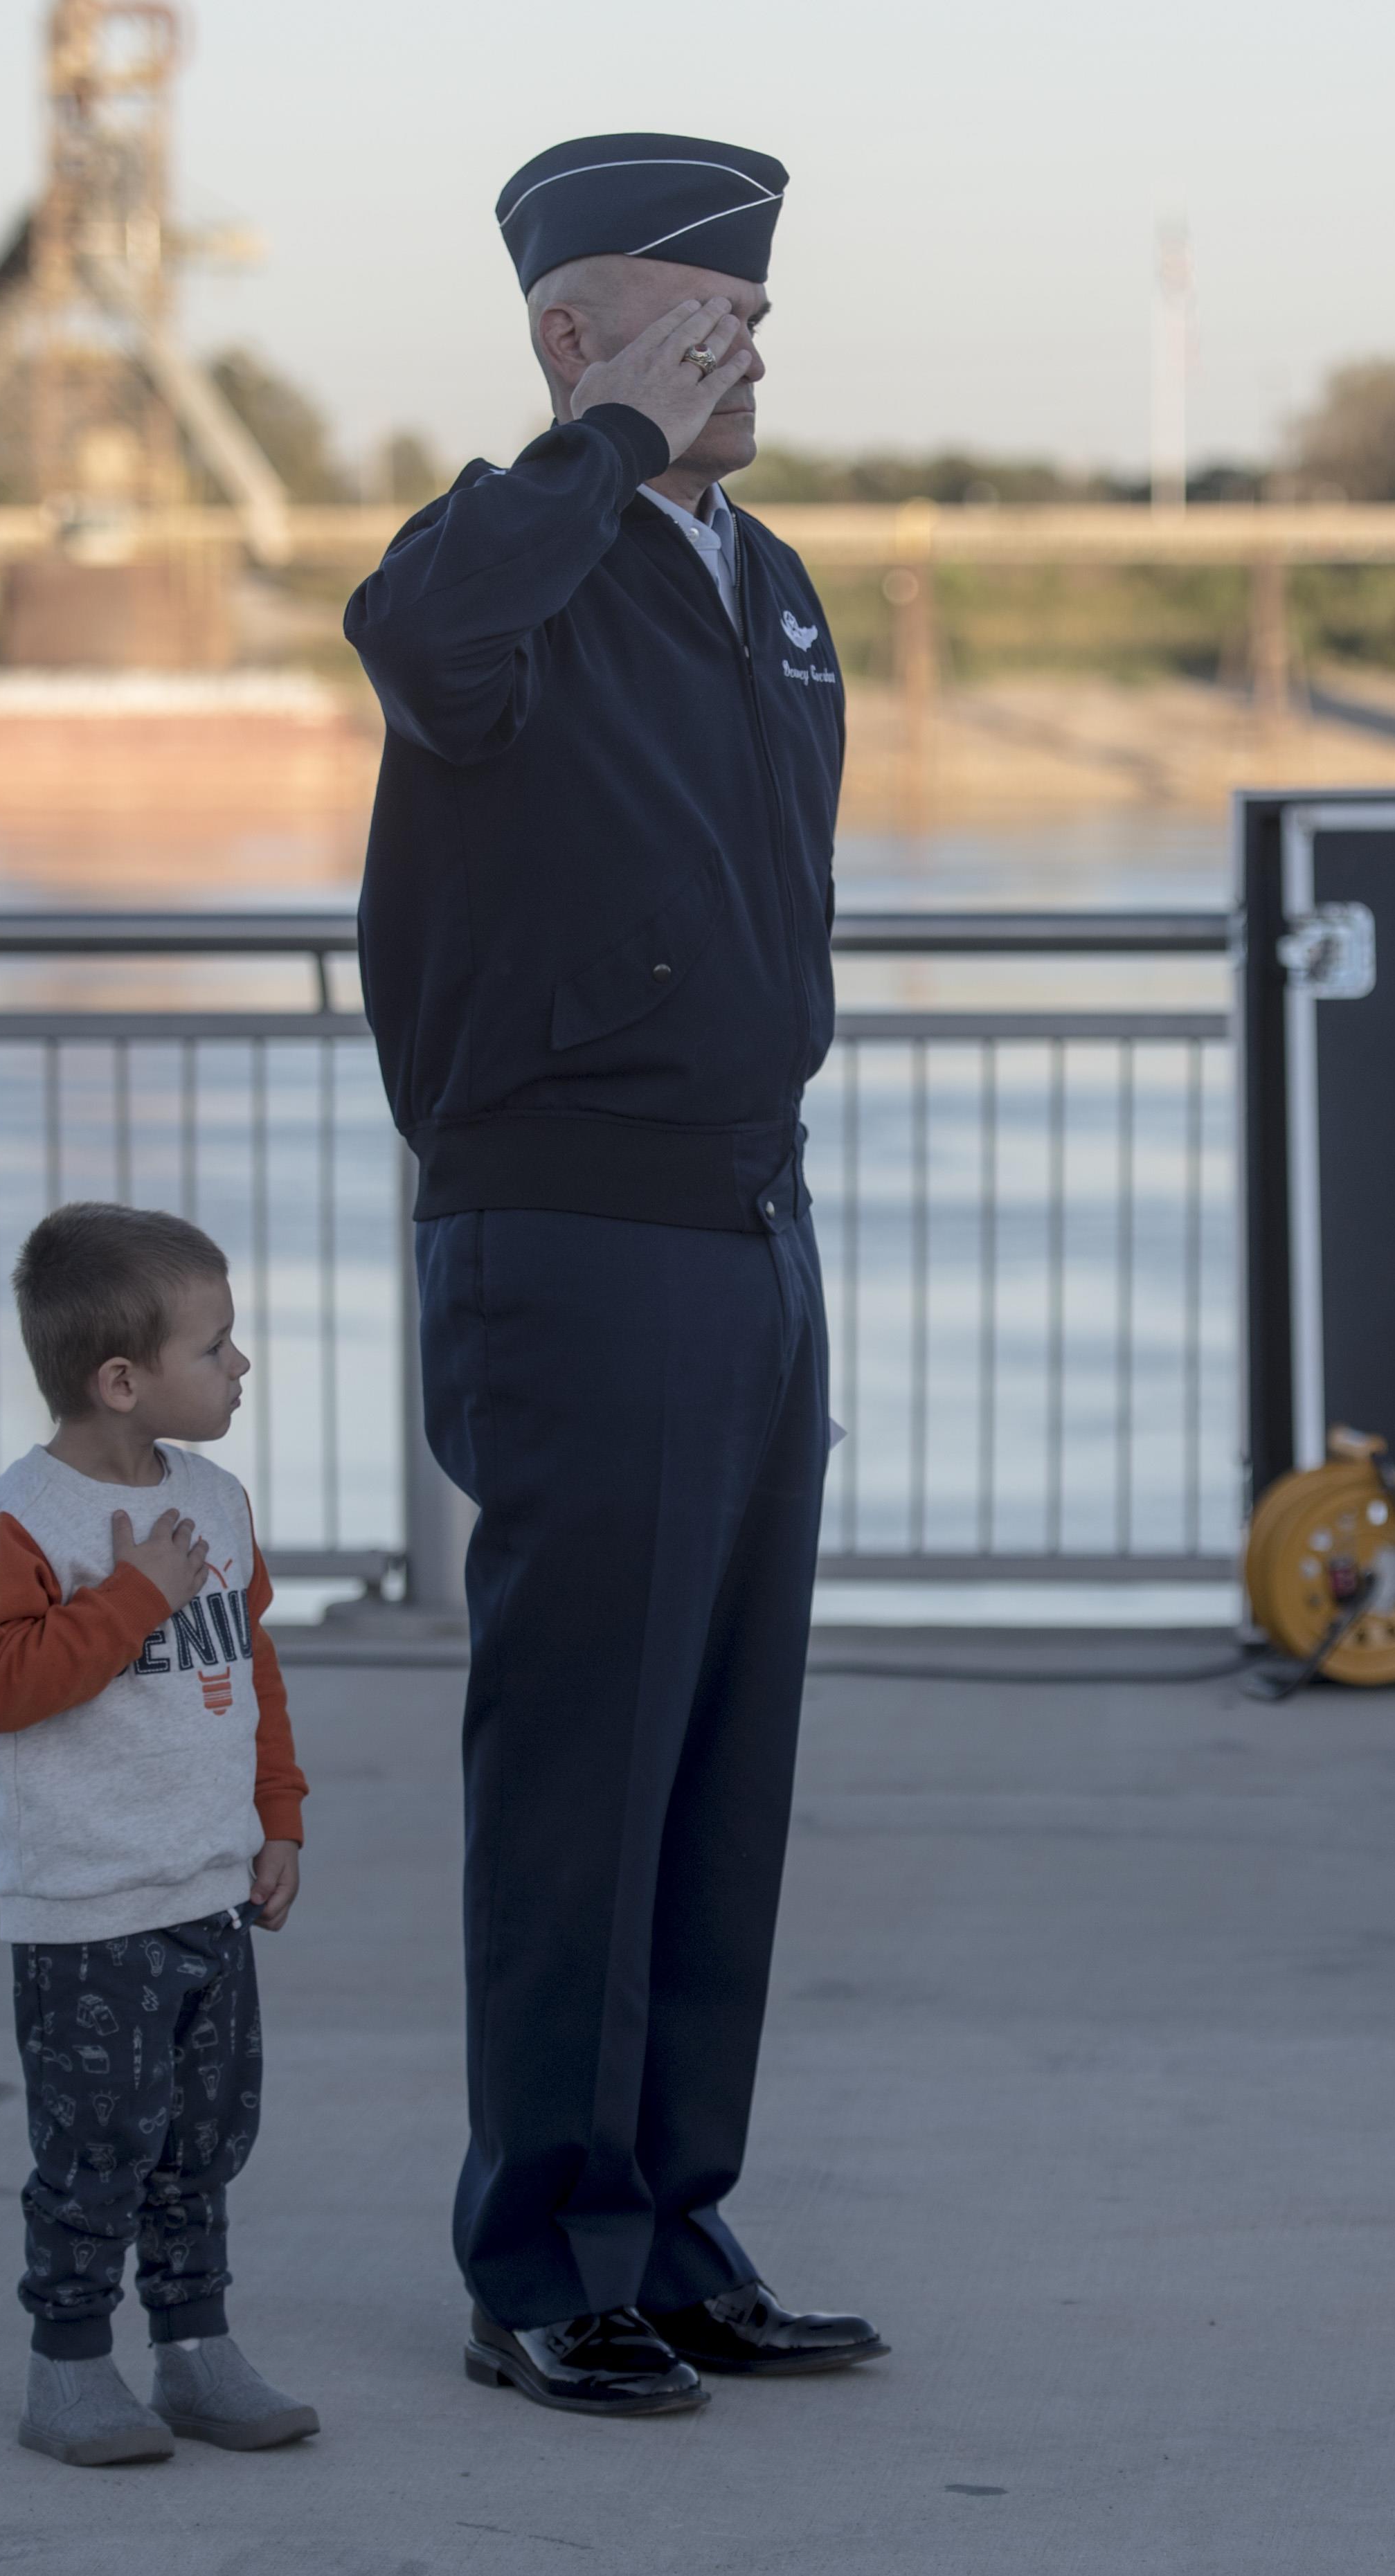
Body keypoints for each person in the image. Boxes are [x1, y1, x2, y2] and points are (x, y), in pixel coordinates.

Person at [343, 131, 883, 2417]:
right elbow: (420, 632)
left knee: (718, 1763)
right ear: (577, 337)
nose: (739, 350)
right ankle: (542, 2257)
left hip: (750, 1216)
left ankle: (674, 2220)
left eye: (750, 315)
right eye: (693, 318)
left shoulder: (764, 577)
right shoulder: (519, 560)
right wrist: (605, 445)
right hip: (574, 1231)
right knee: (583, 1762)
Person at [0, 1203, 320, 2467]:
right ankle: (68, 2372)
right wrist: (130, 1598)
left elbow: (250, 1666)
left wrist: (279, 1818)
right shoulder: (21, 1524)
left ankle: (197, 2352)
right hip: (89, 1908)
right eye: (215, 1346)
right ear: (121, 1379)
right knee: (97, 2148)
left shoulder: (215, 1497)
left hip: (209, 1888)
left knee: (202, 2143)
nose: (241, 1365)